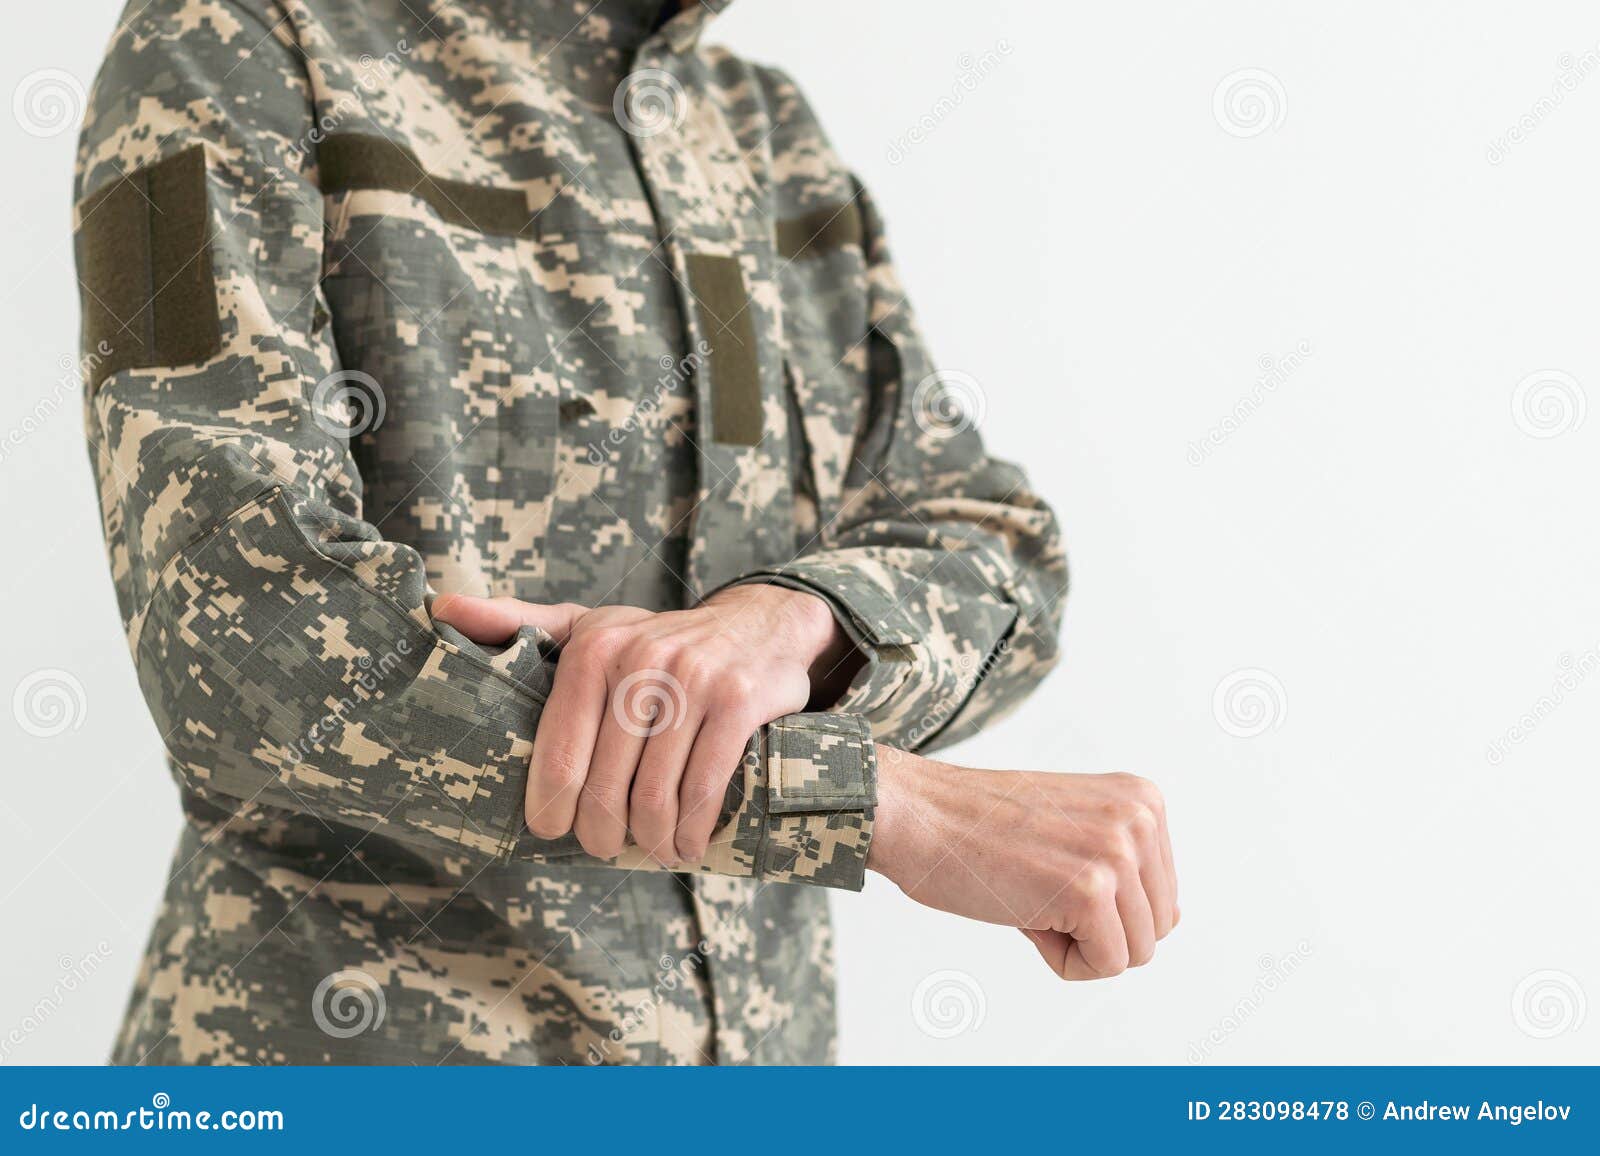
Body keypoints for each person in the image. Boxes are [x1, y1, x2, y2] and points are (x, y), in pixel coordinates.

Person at [72, 0, 1177, 1065]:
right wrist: (876, 806)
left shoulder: (761, 130)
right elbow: (243, 640)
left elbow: (994, 543)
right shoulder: (236, 37)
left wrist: (791, 621)